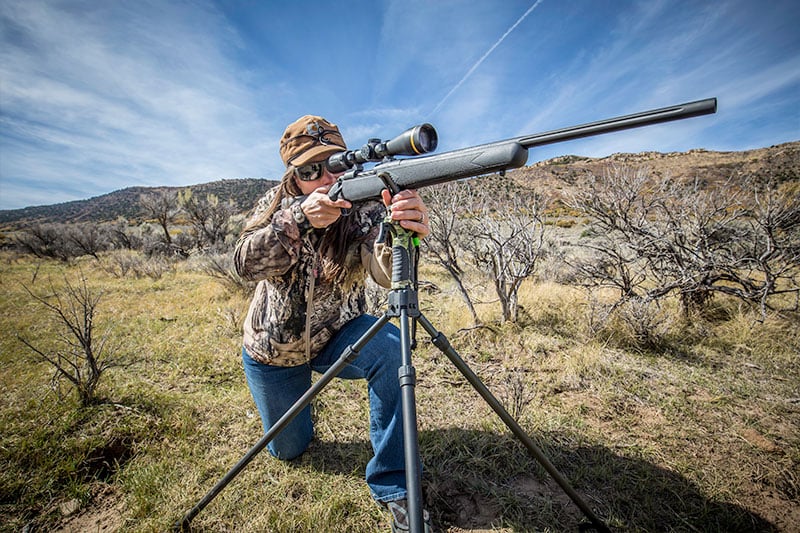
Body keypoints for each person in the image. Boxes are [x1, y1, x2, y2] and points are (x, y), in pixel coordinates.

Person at [234, 115, 433, 532]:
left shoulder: (361, 208)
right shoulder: (275, 204)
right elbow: (242, 263)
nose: (324, 178)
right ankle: (296, 411)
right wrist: (299, 221)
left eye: (335, 164)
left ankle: (394, 486)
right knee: (289, 449)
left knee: (392, 347)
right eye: (309, 171)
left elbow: (385, 275)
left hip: (337, 333)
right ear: (293, 178)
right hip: (274, 354)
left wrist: (403, 234)